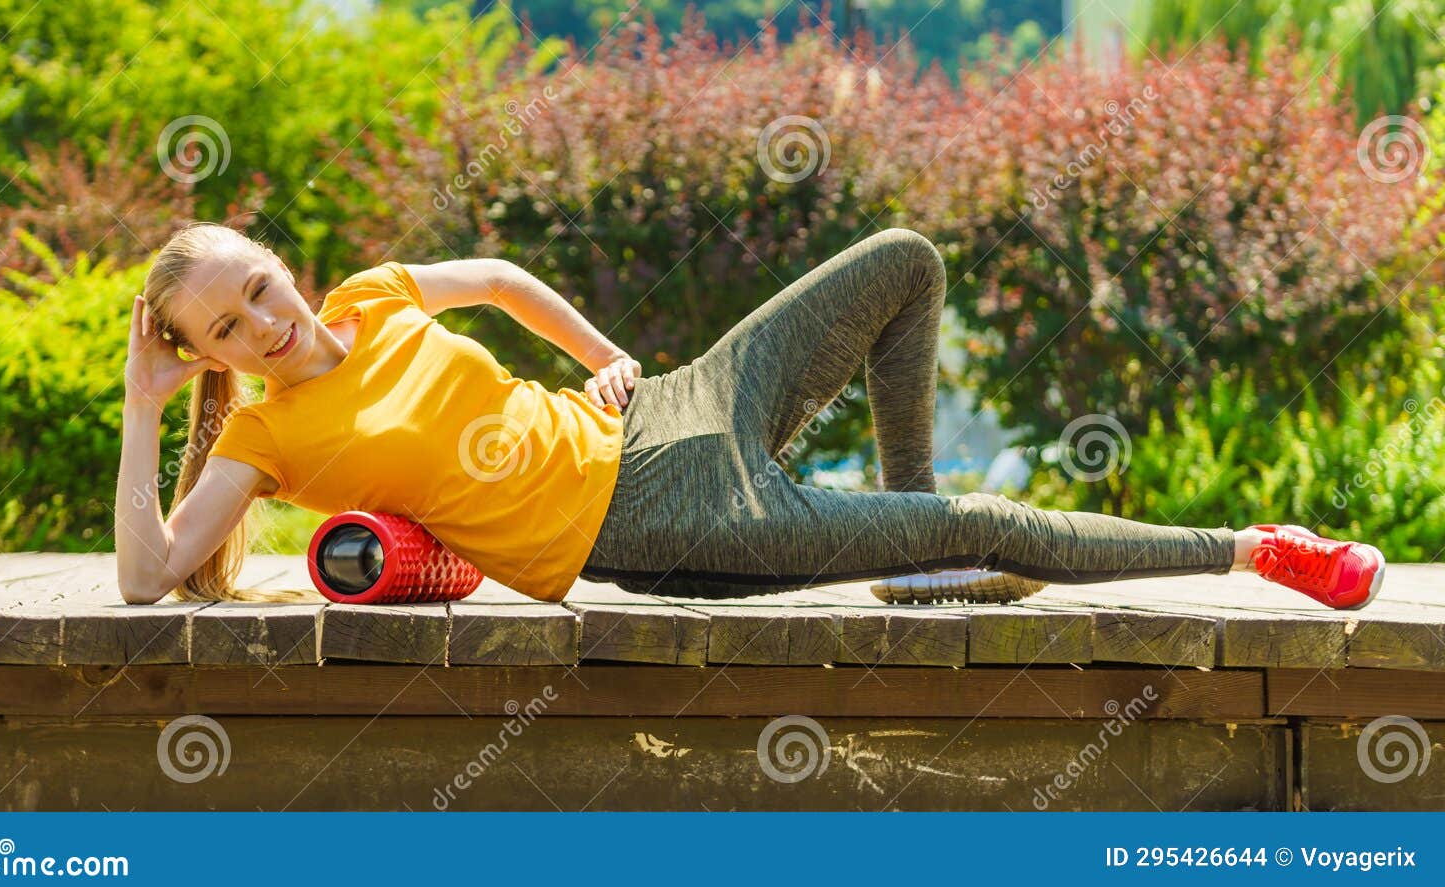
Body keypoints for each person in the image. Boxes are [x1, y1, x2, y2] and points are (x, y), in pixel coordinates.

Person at [116, 222, 1385, 611]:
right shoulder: (261, 440)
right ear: (202, 353)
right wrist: (140, 410)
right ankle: (1256, 548)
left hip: (669, 410)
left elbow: (501, 284)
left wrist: (612, 360)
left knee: (904, 261)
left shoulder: (373, 294)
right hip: (660, 518)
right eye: (228, 328)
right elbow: (148, 578)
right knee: (1002, 519)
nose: (266, 324)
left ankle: (925, 562)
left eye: (259, 288)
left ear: (280, 265)